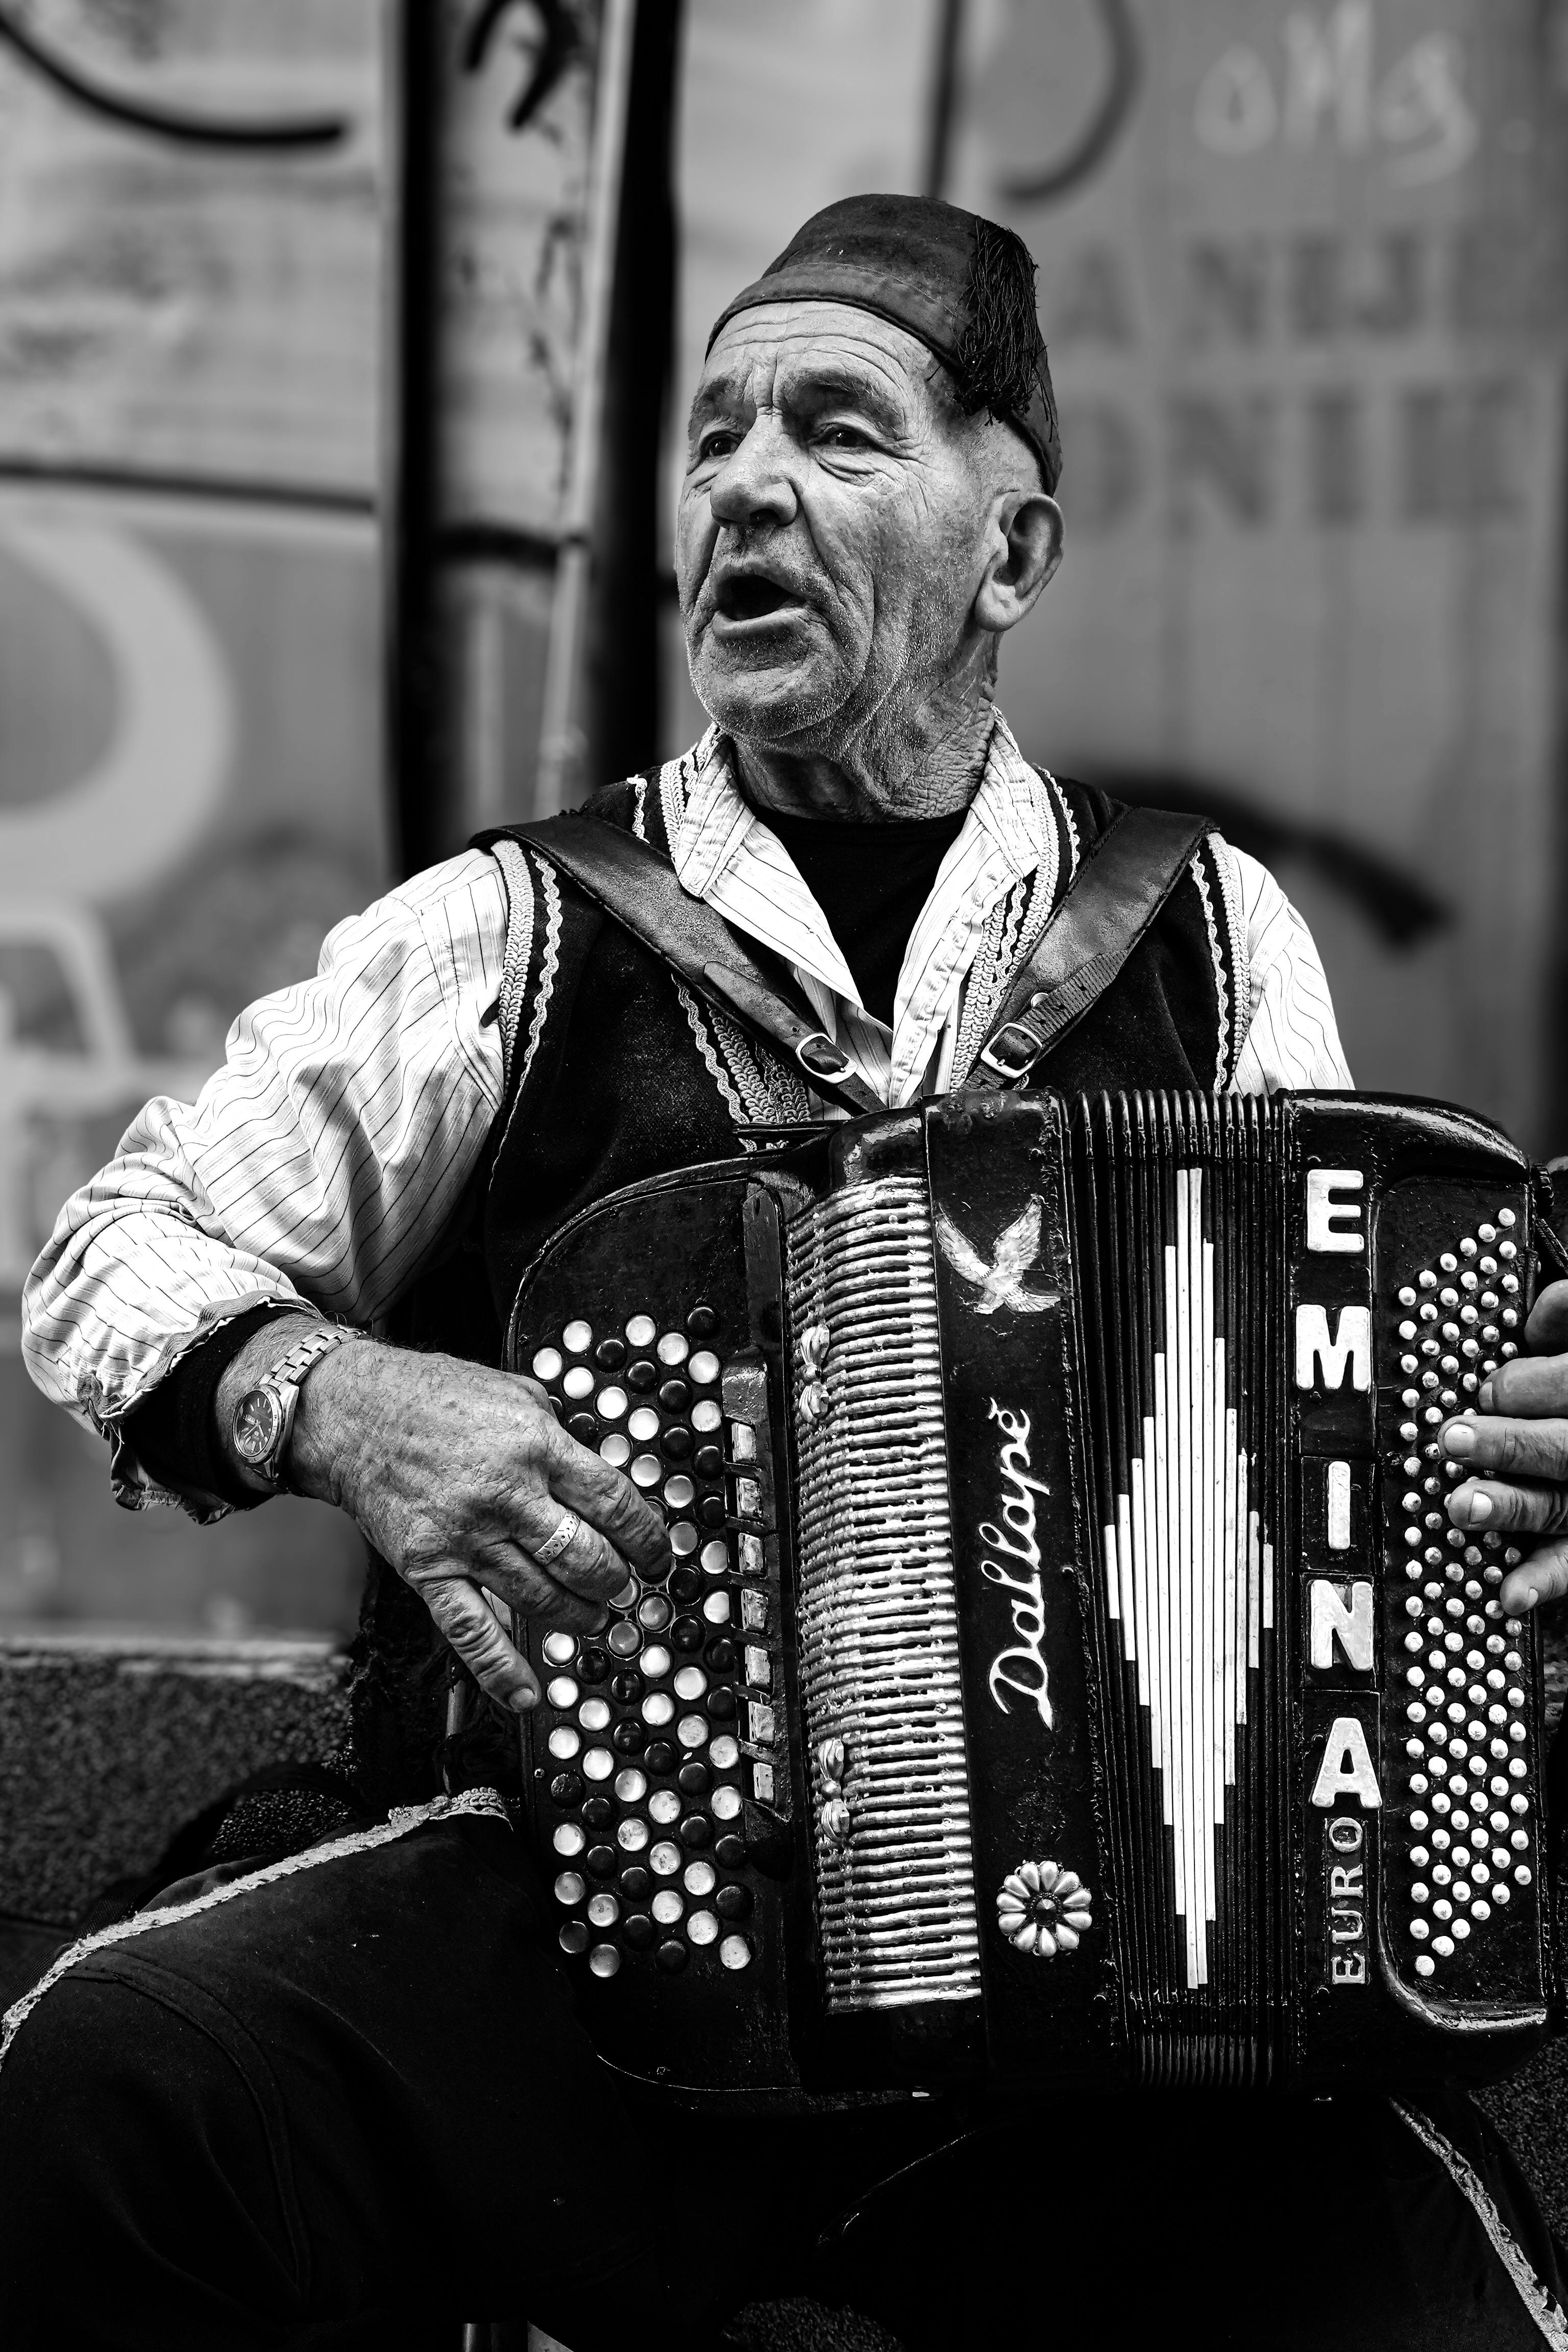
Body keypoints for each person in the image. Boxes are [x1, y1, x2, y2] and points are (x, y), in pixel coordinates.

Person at [7, 193, 1566, 2351]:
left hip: (1104, 2027)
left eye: (836, 432)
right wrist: (338, 1396)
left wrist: (1503, 1502)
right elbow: (112, 1256)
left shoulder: (1204, 936)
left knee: (1444, 2301)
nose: (745, 484)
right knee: (122, 2084)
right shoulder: (519, 931)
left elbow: (1342, 1462)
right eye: (714, 438)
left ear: (1009, 551)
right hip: (597, 1933)